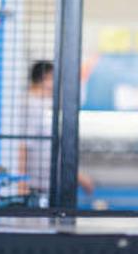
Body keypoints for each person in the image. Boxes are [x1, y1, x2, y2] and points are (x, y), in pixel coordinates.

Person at [18, 60, 94, 207]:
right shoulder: (31, 106)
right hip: (35, 188)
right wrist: (22, 183)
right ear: (45, 78)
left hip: (48, 185)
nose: (57, 83)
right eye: (54, 78)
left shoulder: (43, 105)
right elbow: (23, 146)